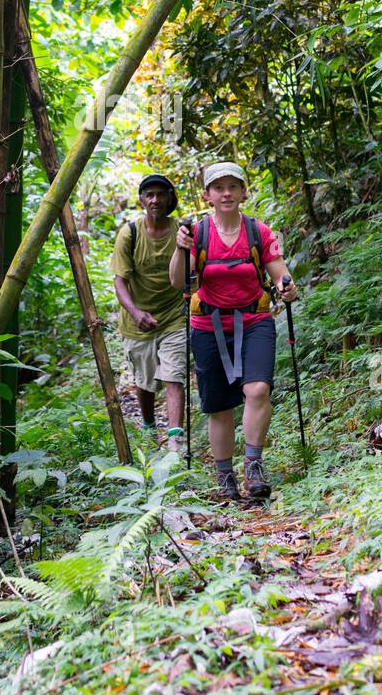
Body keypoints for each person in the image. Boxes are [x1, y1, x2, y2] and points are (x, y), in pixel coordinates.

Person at [169, 161, 298, 501]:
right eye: (218, 187)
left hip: (255, 321)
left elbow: (281, 277)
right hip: (208, 326)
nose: (226, 193)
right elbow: (177, 282)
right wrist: (181, 249)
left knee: (257, 390)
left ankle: (253, 467)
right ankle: (225, 476)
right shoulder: (197, 233)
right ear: (207, 195)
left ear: (243, 192)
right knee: (219, 406)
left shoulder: (259, 232)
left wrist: (288, 289)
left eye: (232, 186)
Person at [112, 174, 186, 450]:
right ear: (141, 200)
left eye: (160, 194)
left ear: (169, 198)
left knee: (174, 374)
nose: (155, 200)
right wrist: (135, 312)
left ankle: (175, 442)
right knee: (145, 382)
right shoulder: (129, 234)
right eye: (149, 195)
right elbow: (120, 281)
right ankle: (149, 427)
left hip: (174, 317)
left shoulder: (181, 231)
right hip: (137, 321)